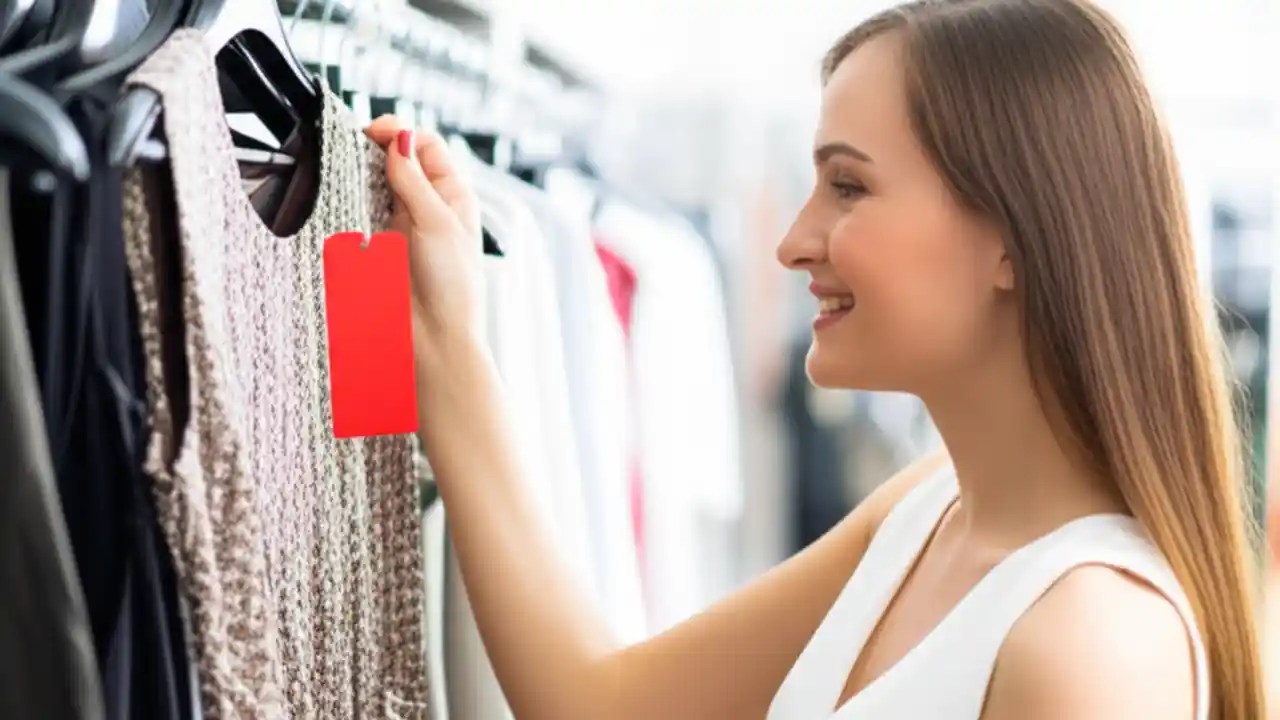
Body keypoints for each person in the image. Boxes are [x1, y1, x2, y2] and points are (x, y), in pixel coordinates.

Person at [363, 0, 1264, 717]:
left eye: (848, 186)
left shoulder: (1090, 639)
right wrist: (447, 340)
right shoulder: (925, 513)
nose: (793, 241)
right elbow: (600, 703)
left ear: (1016, 241)